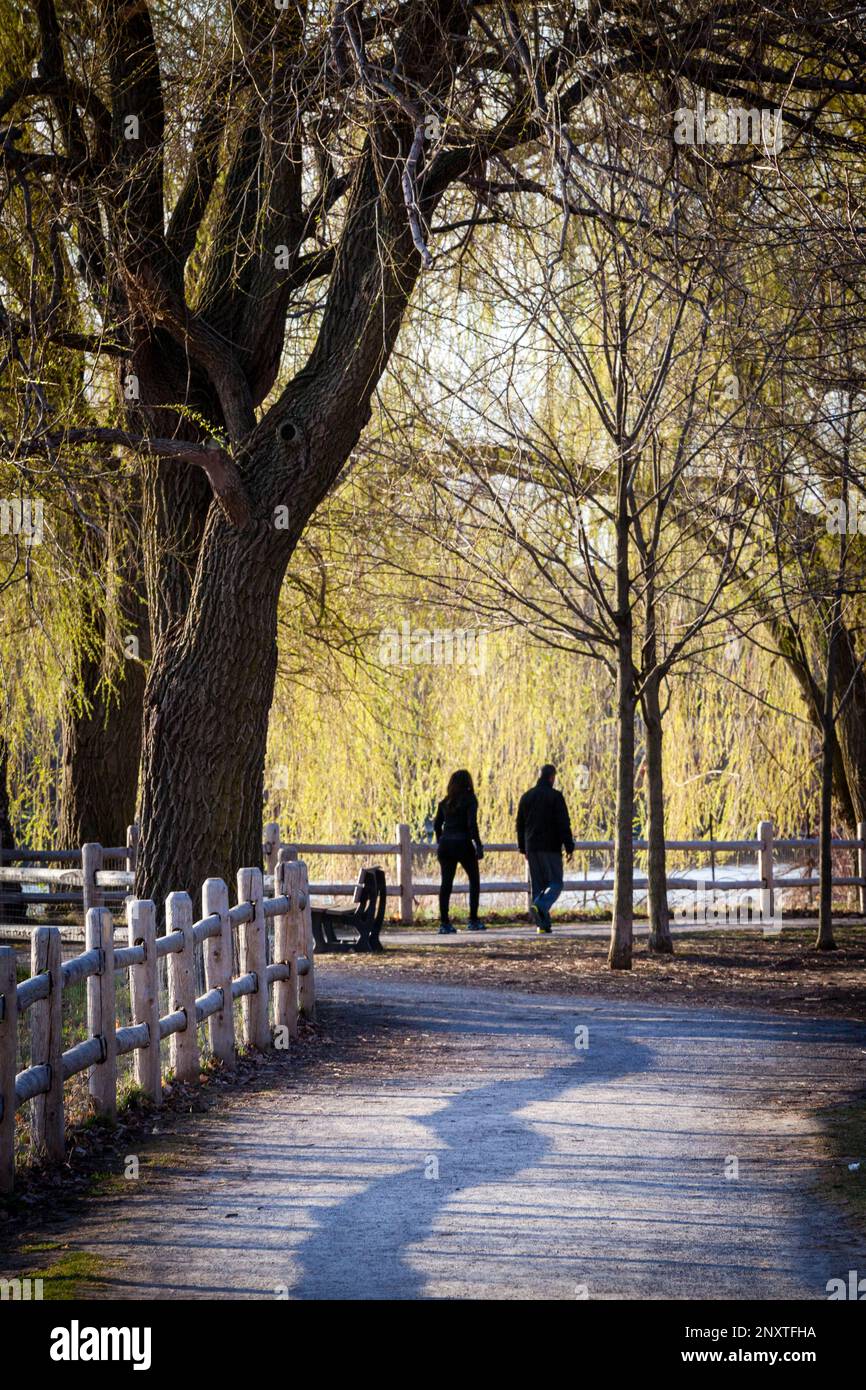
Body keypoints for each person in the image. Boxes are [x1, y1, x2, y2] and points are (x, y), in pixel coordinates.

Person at [516, 763, 574, 933]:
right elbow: (564, 823)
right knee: (556, 882)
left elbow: (519, 825)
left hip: (532, 847)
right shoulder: (555, 797)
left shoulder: (526, 797)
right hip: (551, 847)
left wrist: (522, 848)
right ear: (552, 777)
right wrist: (569, 846)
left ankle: (543, 925)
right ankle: (540, 905)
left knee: (538, 885)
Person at [434, 769, 485, 934]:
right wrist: (478, 844)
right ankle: (473, 920)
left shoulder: (445, 802)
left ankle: (444, 923)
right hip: (463, 843)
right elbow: (472, 824)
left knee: (446, 884)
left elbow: (436, 825)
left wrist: (440, 840)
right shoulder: (470, 800)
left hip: (446, 845)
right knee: (474, 880)